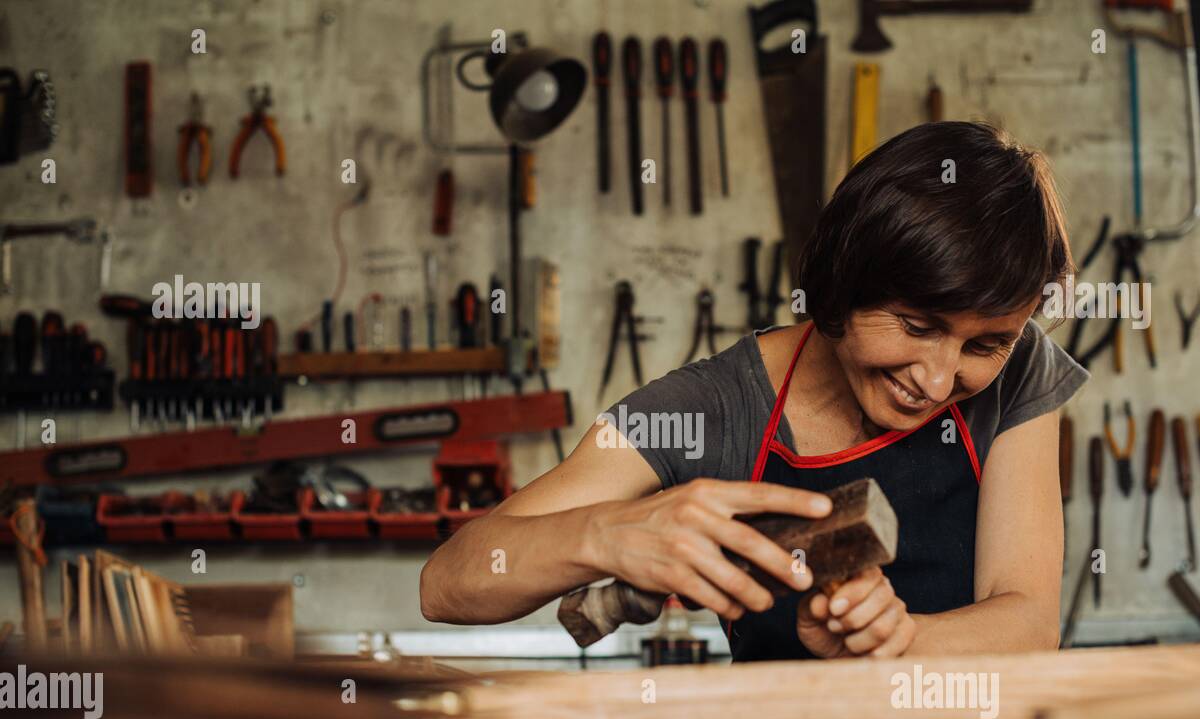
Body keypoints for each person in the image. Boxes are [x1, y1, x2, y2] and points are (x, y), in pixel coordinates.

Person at [421, 121, 1088, 661]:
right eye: (916, 326)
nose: (939, 380)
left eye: (984, 345)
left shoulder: (1022, 374)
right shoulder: (707, 410)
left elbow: (1028, 621)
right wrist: (611, 534)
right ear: (844, 281)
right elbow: (448, 581)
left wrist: (896, 641)